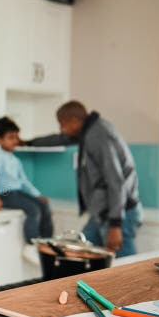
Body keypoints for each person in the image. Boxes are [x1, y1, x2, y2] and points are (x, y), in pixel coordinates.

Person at [24, 100, 142, 256]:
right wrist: (29, 143)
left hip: (118, 213)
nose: (61, 128)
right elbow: (60, 139)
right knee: (79, 254)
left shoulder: (98, 135)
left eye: (62, 123)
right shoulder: (87, 131)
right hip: (101, 212)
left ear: (74, 121)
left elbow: (116, 180)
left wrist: (115, 224)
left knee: (127, 270)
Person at [0, 117, 53, 255]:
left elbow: (24, 181)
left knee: (44, 206)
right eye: (11, 137)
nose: (15, 141)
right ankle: (33, 243)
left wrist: (37, 195)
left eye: (16, 137)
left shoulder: (15, 160)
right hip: (4, 194)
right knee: (33, 209)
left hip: (17, 192)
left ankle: (47, 242)